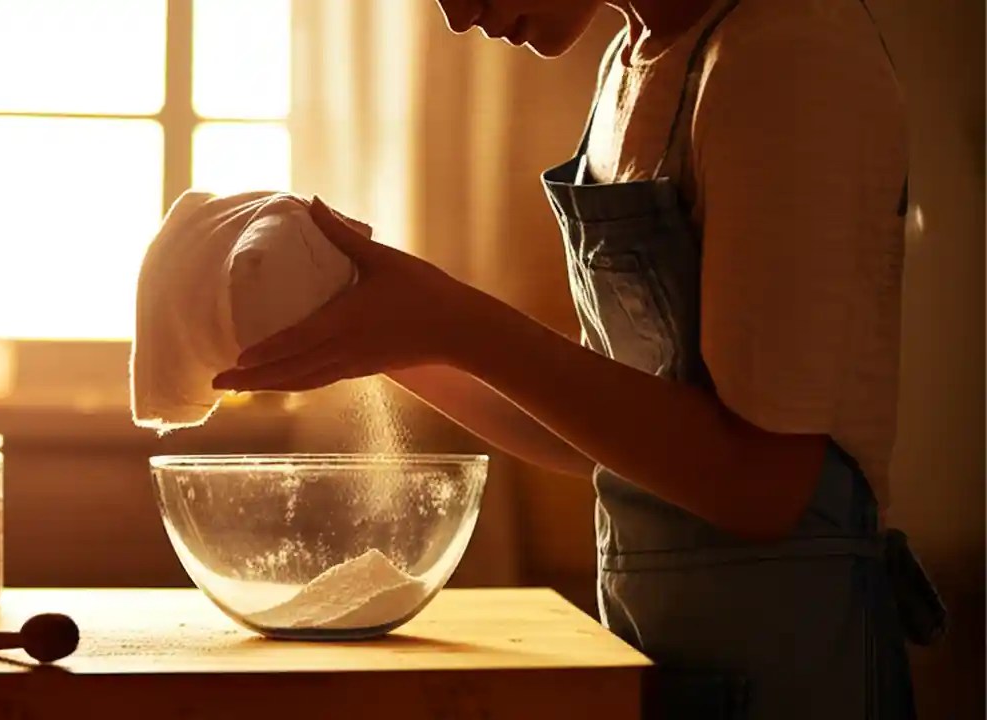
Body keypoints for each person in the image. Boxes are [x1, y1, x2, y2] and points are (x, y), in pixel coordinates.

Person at [213, 0, 945, 717]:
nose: (457, 15)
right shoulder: (632, 63)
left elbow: (763, 487)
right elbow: (611, 439)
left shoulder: (789, 53)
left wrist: (455, 323)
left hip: (796, 670)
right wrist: (386, 338)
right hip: (665, 656)